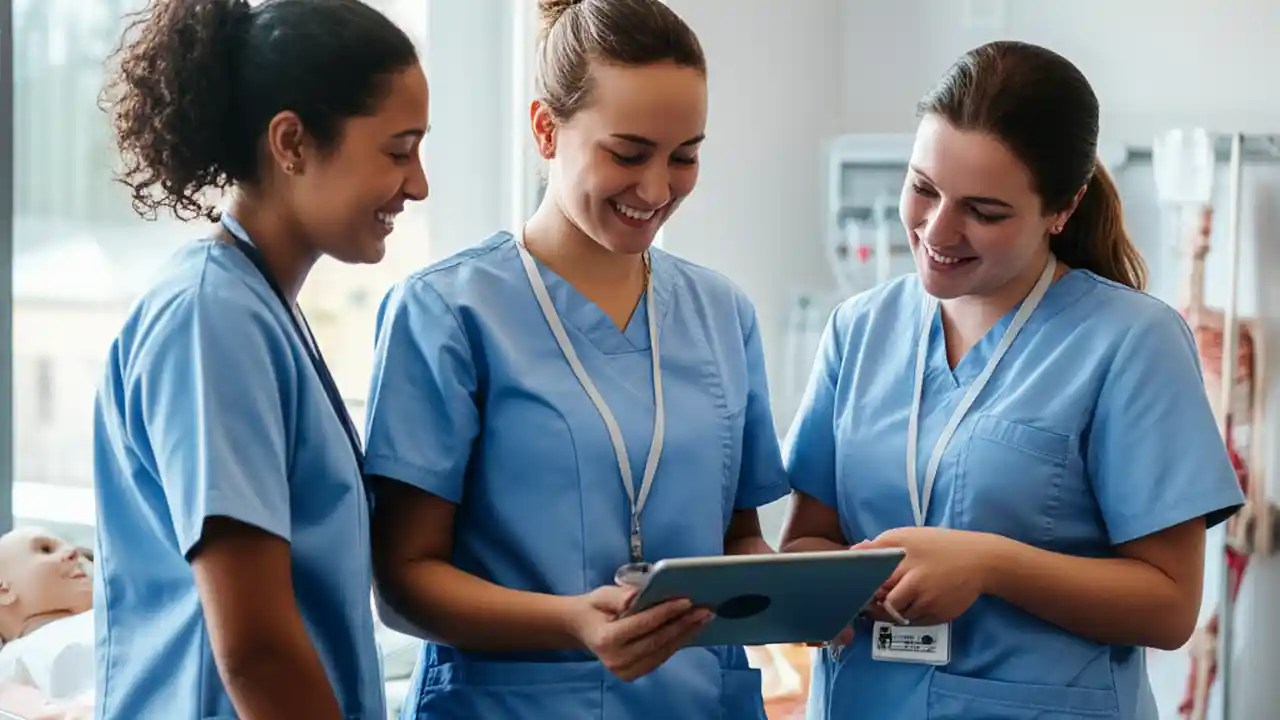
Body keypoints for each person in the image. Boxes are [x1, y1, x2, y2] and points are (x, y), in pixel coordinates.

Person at [780, 41, 1245, 720]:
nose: (937, 230)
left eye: (984, 211)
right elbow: (808, 538)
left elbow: (1170, 606)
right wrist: (823, 590)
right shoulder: (860, 329)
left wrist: (989, 565)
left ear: (1063, 207)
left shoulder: (1131, 342)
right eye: (922, 188)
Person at [362, 0, 789, 717]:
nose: (656, 189)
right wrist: (570, 622)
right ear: (545, 129)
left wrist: (810, 595)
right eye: (627, 154)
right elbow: (404, 580)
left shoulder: (722, 315)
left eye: (684, 156)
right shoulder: (449, 313)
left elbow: (738, 541)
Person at [93, 0, 429, 717]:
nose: (418, 183)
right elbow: (256, 648)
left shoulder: (259, 312)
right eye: (398, 151)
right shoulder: (212, 318)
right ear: (292, 143)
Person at [0, 528, 93, 713]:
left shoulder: (118, 618)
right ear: (4, 591)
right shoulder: (13, 661)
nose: (74, 553)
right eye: (46, 549)